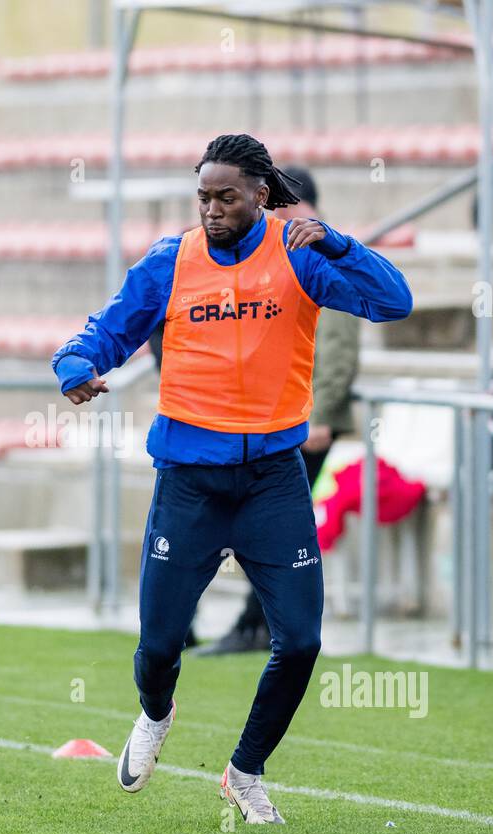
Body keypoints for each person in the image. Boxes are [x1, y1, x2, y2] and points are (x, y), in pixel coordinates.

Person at [51, 134, 412, 823]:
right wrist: (75, 365)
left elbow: (394, 302)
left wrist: (339, 244)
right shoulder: (171, 260)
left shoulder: (300, 257)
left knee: (302, 640)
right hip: (189, 483)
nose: (213, 210)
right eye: (204, 197)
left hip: (273, 481)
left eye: (226, 197)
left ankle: (245, 772)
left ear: (261, 197)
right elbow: (108, 329)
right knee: (158, 647)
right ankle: (156, 715)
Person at [196, 165, 361, 655]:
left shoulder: (317, 248)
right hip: (279, 417)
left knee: (266, 527)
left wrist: (324, 415)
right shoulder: (285, 247)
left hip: (303, 421)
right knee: (259, 525)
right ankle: (258, 624)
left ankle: (261, 625)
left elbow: (340, 343)